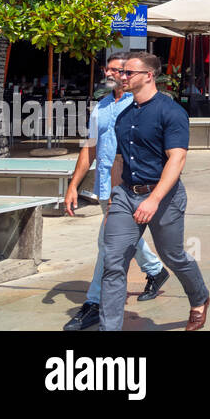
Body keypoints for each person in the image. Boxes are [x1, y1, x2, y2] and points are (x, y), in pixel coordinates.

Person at [99, 52, 210, 332]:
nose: (122, 77)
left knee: (172, 256)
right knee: (113, 262)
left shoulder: (171, 112)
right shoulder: (123, 116)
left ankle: (199, 297)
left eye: (128, 73)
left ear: (149, 75)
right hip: (126, 194)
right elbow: (119, 160)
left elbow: (177, 159)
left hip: (163, 196)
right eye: (121, 73)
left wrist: (153, 199)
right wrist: (114, 197)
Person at [62, 53, 167, 331]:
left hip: (130, 188)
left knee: (107, 244)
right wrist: (73, 186)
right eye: (107, 69)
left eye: (116, 70)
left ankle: (94, 303)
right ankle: (156, 271)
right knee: (120, 241)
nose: (109, 74)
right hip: (105, 187)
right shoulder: (103, 105)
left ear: (128, 74)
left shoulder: (141, 105)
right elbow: (90, 148)